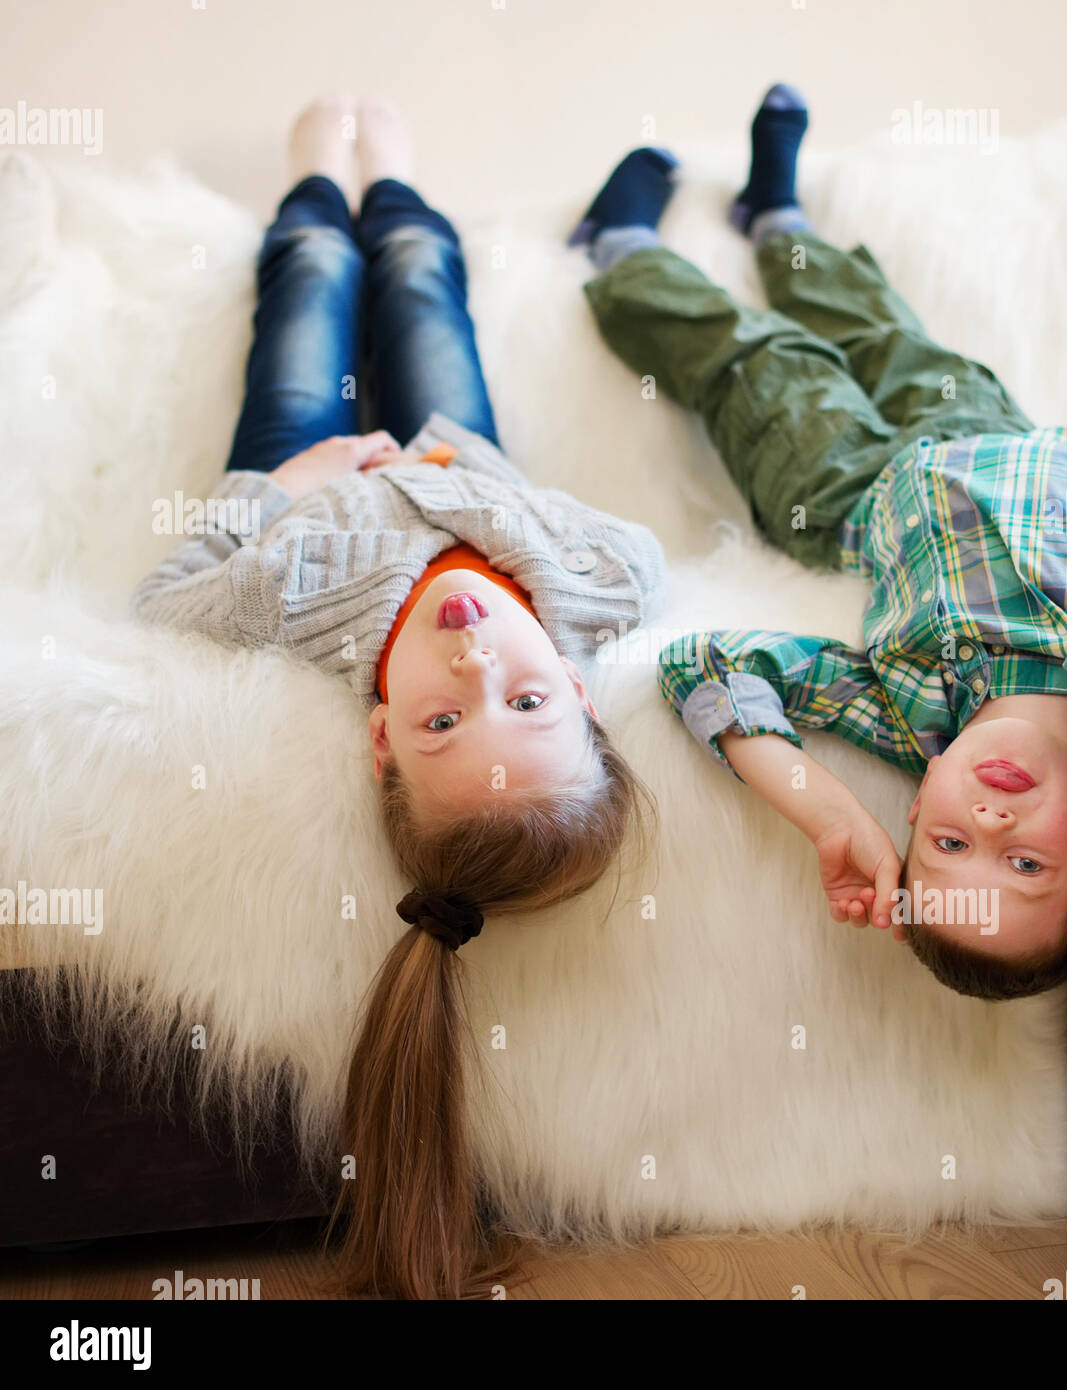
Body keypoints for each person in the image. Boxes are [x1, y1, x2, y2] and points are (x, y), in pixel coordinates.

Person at [132, 95, 664, 1298]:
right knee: (421, 280)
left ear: (378, 734)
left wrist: (286, 490)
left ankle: (318, 178)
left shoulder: (293, 604)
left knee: (313, 278)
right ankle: (395, 184)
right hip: (456, 451)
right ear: (576, 686)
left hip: (301, 473)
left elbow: (164, 601)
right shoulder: (583, 590)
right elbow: (643, 556)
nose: (477, 666)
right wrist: (469, 482)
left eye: (439, 723)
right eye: (529, 704)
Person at [570, 84, 1067, 1012]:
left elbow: (704, 662)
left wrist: (824, 809)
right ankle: (775, 221)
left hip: (844, 489)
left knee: (758, 365)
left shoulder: (908, 719)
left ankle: (623, 253)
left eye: (952, 844)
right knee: (880, 327)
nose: (990, 818)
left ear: (918, 809)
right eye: (1030, 859)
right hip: (988, 429)